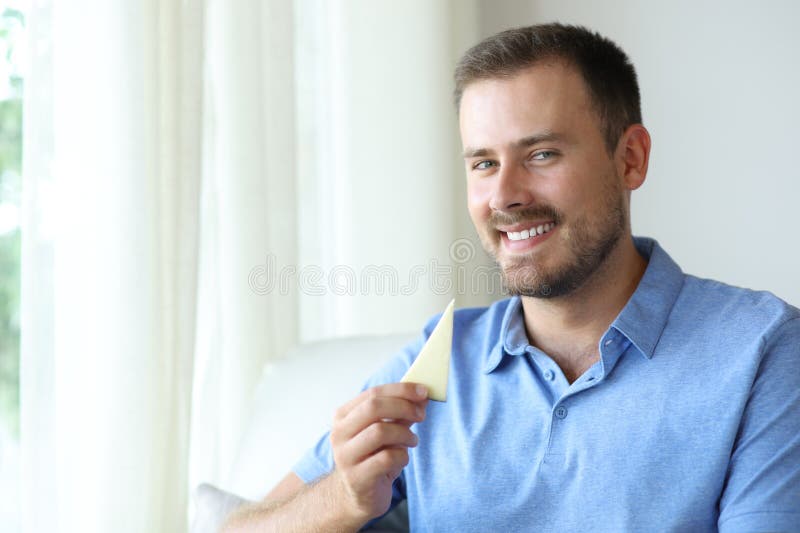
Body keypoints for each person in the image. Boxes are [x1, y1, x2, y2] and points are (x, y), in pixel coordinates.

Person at [224, 23, 800, 532]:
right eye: (483, 163)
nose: (504, 196)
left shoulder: (763, 350)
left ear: (631, 159)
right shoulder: (439, 357)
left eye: (542, 154)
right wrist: (343, 499)